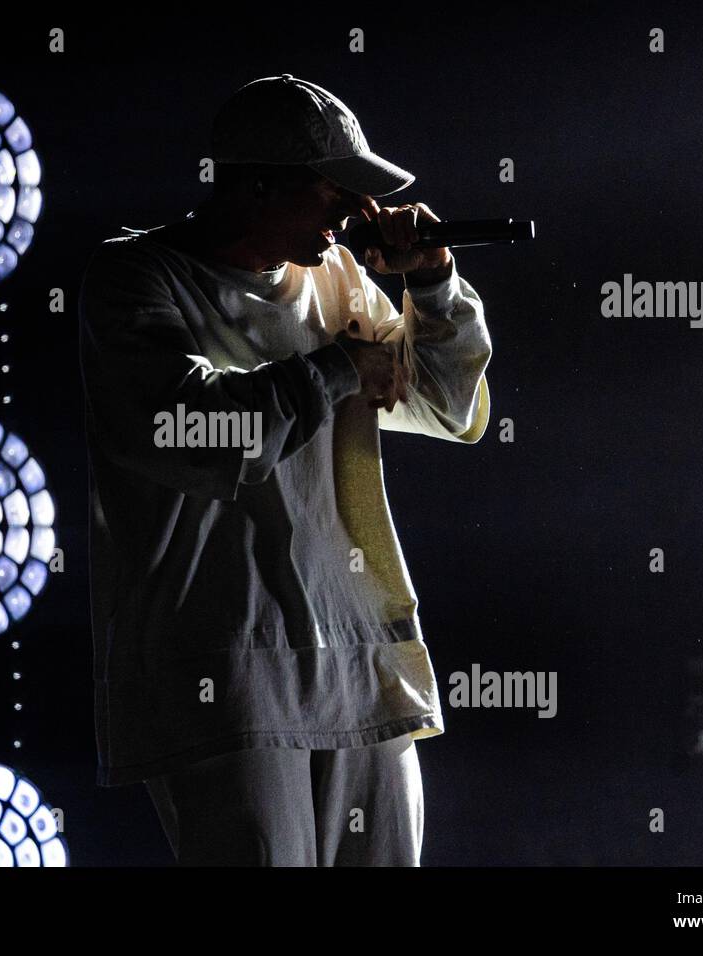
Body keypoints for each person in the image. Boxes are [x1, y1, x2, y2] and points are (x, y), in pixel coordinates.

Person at [79, 74, 493, 865]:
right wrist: (339, 368)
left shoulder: (332, 279)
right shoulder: (136, 276)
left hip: (357, 657)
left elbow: (443, 401)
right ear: (260, 184)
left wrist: (433, 283)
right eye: (337, 191)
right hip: (225, 665)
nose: (356, 214)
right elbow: (192, 431)